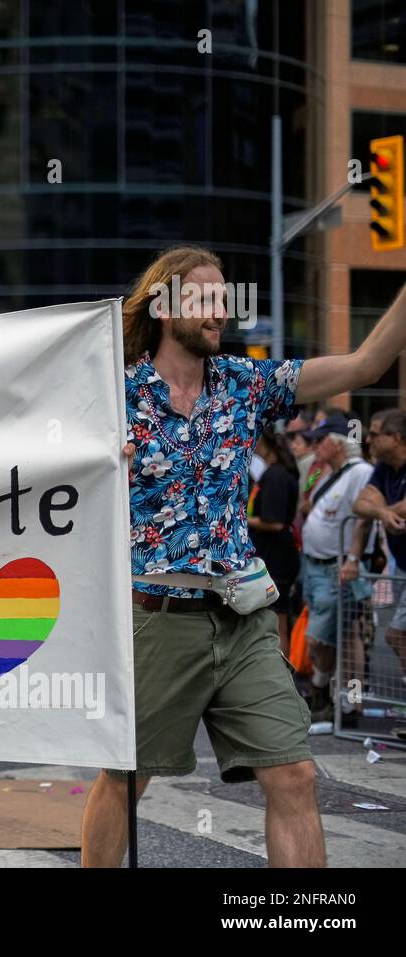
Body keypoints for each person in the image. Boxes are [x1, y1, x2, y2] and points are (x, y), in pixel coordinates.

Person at [81, 244, 406, 868]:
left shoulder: (245, 383)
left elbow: (366, 363)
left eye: (223, 299)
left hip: (244, 619)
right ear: (164, 304)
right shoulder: (111, 393)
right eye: (204, 298)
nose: (220, 311)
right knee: (125, 779)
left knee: (294, 776)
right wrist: (99, 465)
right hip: (153, 618)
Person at [297, 416, 374, 724]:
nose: (315, 445)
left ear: (338, 443)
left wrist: (353, 559)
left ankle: (332, 696)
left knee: (329, 638)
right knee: (338, 637)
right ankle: (342, 702)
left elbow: (363, 519)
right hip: (317, 565)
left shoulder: (360, 472)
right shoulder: (332, 472)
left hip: (337, 568)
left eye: (321, 440)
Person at [352, 408, 406, 739]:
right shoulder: (384, 469)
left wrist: (384, 509)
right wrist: (384, 511)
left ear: (396, 437)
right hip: (402, 564)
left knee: (396, 636)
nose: (368, 439)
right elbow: (360, 505)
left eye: (375, 433)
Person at [248, 429, 300, 653]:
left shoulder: (276, 475)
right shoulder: (272, 473)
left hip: (277, 555)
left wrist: (242, 520)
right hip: (273, 552)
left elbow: (275, 521)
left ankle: (283, 669)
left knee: (277, 618)